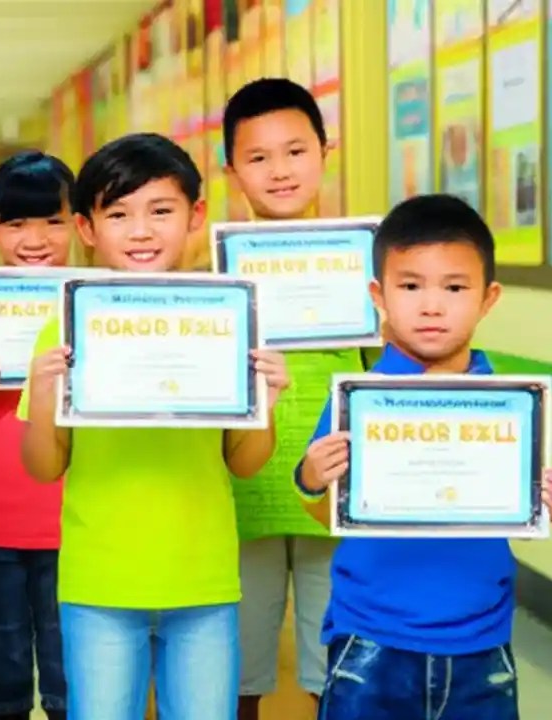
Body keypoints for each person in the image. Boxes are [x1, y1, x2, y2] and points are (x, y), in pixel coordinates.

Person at [19, 133, 290, 720]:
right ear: (88, 228)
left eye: (160, 211)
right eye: (118, 214)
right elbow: (44, 466)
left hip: (204, 578)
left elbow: (244, 462)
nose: (141, 231)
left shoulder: (225, 318)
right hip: (100, 581)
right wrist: (42, 397)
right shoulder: (63, 327)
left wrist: (262, 399)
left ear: (195, 216)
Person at [297, 193, 552, 720]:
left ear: (488, 298)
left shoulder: (509, 403)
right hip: (371, 638)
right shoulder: (359, 398)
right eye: (410, 286)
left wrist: (542, 502)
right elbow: (325, 511)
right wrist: (313, 478)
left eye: (455, 288)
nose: (432, 306)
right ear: (380, 295)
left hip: (481, 642)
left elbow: (522, 517)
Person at [221, 77, 364, 719]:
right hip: (240, 492)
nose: (279, 171)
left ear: (325, 151)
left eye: (295, 151)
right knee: (238, 676)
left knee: (330, 668)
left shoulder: (366, 266)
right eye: (258, 157)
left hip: (332, 490)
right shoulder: (214, 273)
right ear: (232, 171)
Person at [0, 150, 73, 720]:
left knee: (70, 681)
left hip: (76, 519)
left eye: (54, 221)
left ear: (82, 225)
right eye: (17, 222)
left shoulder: (99, 307)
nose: (36, 239)